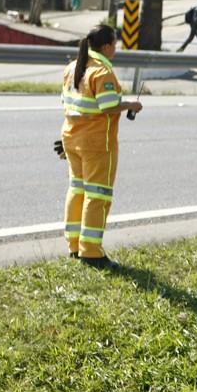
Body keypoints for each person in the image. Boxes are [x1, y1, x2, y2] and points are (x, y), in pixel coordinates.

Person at [60, 24, 143, 269]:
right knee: (97, 196)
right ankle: (92, 252)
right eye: (115, 45)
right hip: (96, 143)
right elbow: (107, 106)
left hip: (71, 138)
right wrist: (130, 105)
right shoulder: (101, 72)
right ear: (106, 46)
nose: (115, 49)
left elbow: (69, 104)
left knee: (77, 191)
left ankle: (75, 246)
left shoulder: (72, 67)